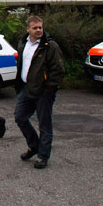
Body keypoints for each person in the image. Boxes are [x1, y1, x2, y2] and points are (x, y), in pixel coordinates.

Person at [14, 15, 65, 169]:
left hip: (43, 91)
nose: (38, 30)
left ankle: (43, 156)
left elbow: (59, 70)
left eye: (40, 27)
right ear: (28, 29)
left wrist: (49, 88)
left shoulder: (50, 46)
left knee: (44, 124)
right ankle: (34, 146)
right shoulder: (23, 43)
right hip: (26, 88)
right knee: (20, 117)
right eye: (35, 28)